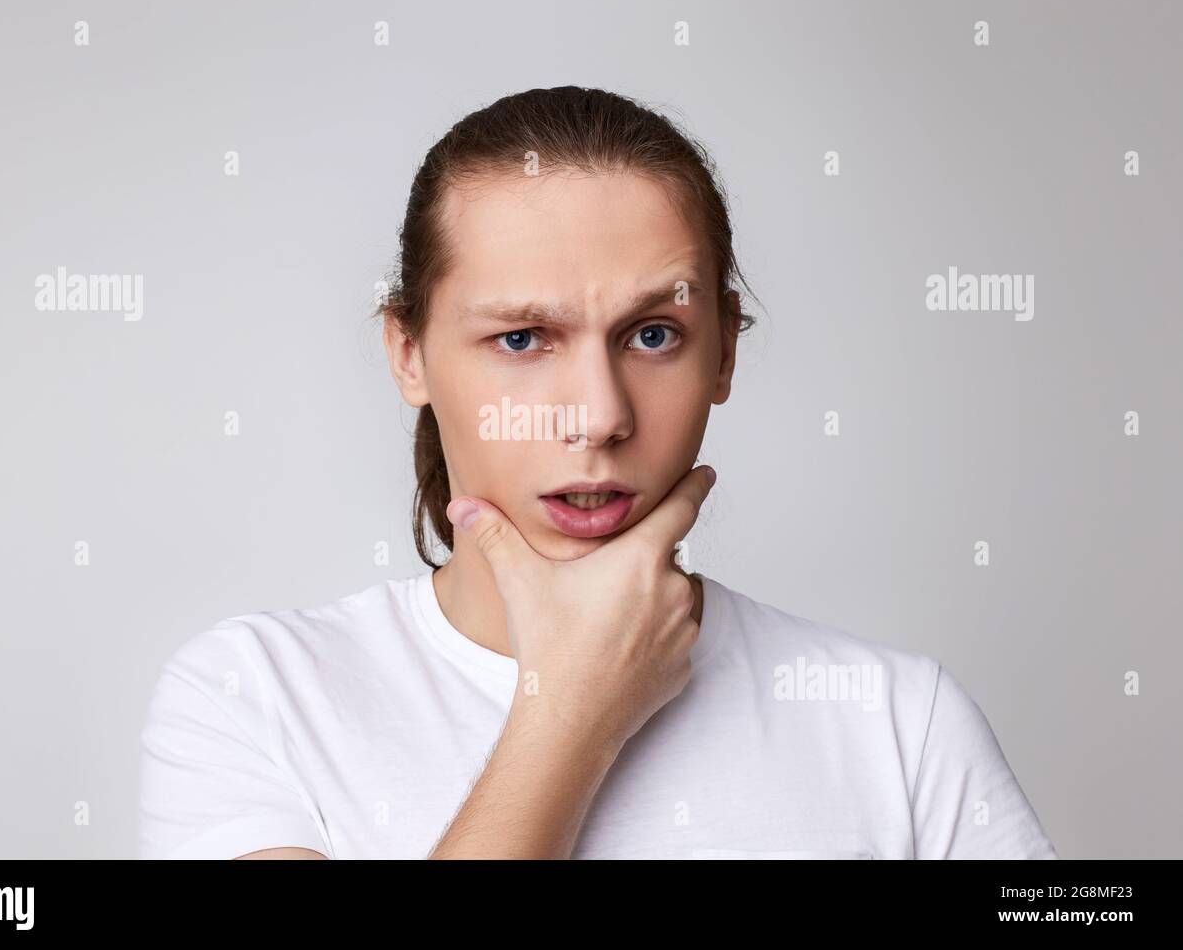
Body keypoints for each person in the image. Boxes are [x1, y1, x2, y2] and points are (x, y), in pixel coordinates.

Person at [138, 86, 1058, 860]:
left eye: (653, 334)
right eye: (522, 338)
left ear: (725, 351)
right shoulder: (254, 696)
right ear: (408, 352)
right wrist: (570, 713)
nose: (599, 415)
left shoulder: (897, 723)